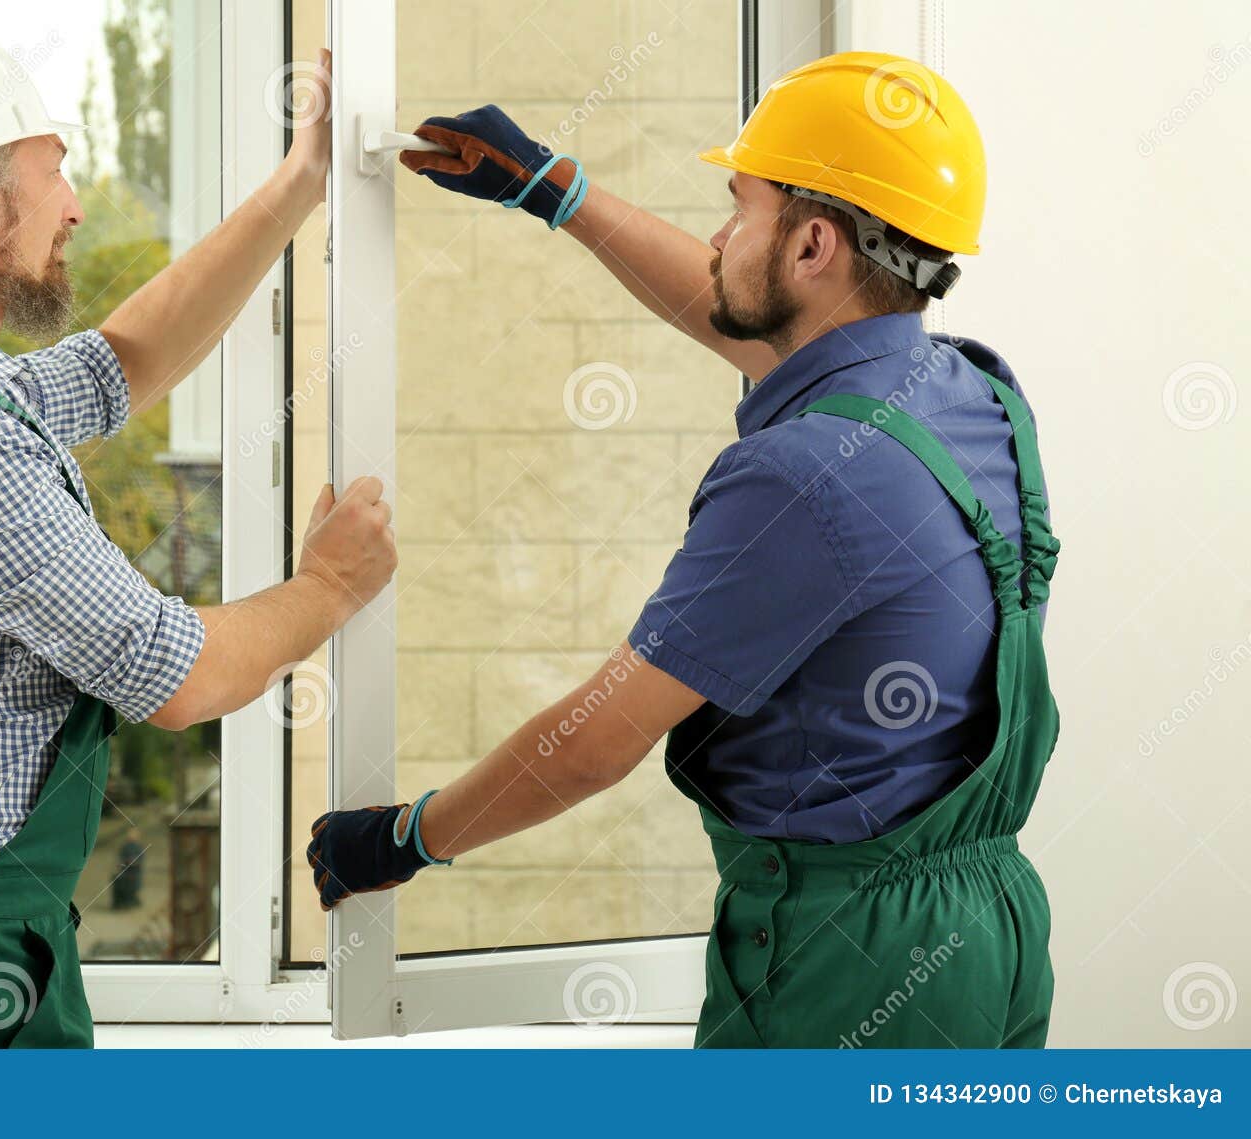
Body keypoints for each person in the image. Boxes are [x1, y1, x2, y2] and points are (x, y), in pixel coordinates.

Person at [309, 52, 1061, 1049]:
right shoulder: (968, 391)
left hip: (844, 961)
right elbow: (753, 327)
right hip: (990, 933)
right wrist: (556, 193)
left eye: (738, 207)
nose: (717, 233)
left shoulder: (805, 477)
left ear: (813, 246)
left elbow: (590, 744)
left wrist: (408, 835)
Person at [0, 24, 392, 1049]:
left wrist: (300, 184)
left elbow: (119, 363)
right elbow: (176, 676)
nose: (77, 204)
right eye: (56, 171)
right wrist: (329, 585)